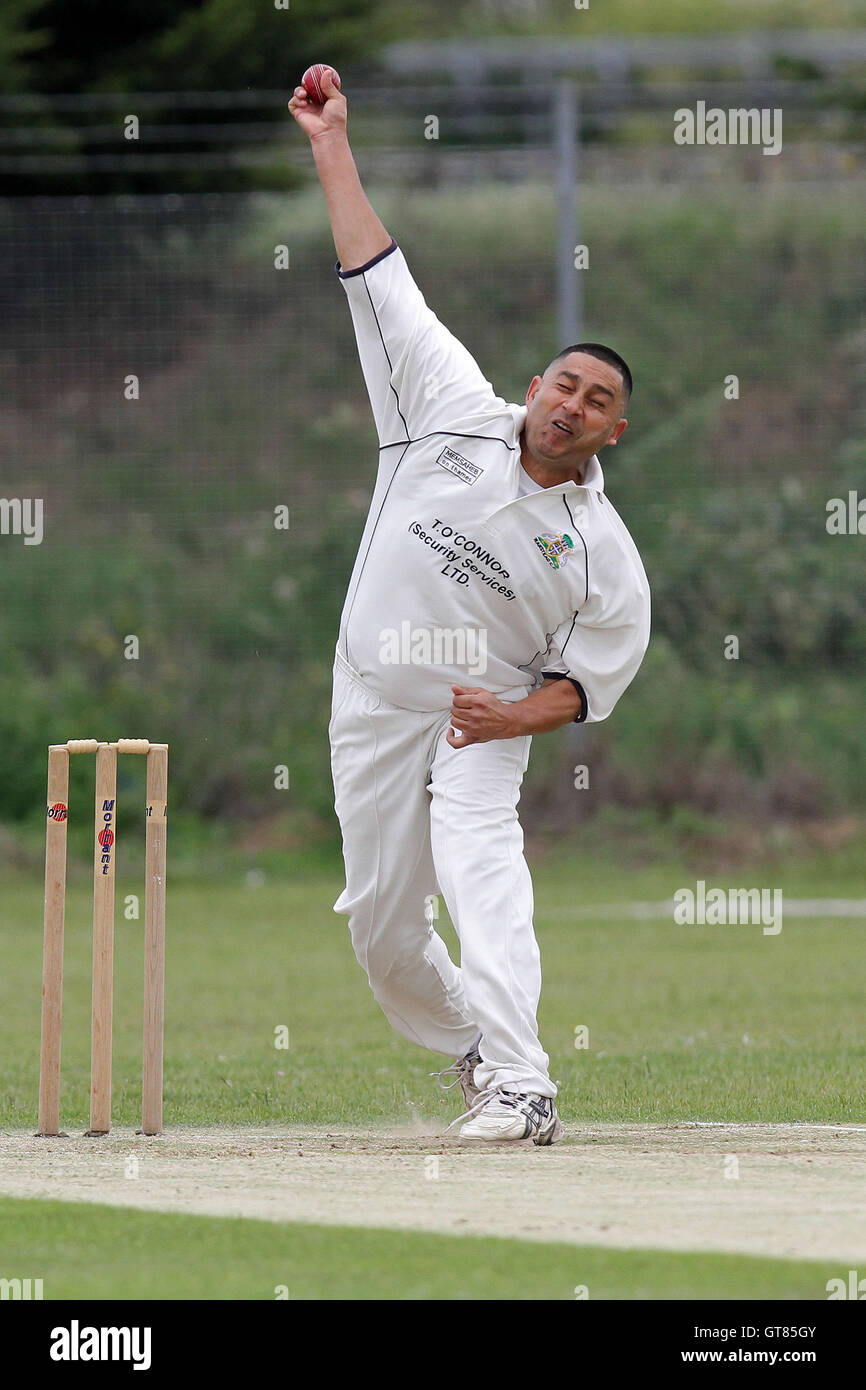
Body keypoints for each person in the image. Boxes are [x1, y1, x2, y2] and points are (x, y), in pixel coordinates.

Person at [289, 70, 650, 1144]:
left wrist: (507, 718)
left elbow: (584, 686)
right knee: (384, 937)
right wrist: (329, 142)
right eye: (563, 384)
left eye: (597, 402)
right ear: (534, 386)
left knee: (480, 870)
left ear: (611, 433)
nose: (571, 405)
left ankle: (526, 1084)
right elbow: (376, 277)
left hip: (479, 715)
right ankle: (476, 1051)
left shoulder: (602, 554)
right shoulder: (443, 405)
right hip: (371, 697)